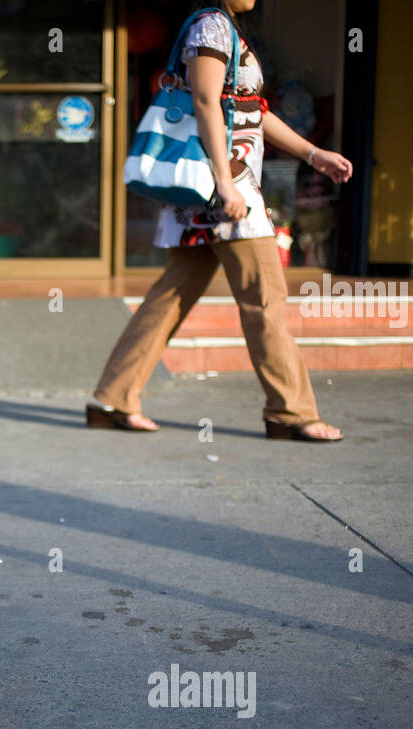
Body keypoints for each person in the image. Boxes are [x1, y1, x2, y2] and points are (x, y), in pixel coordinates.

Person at [89, 0, 352, 441]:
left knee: (170, 297)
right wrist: (226, 184)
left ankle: (112, 399)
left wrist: (312, 154)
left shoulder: (224, 29)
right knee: (265, 298)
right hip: (227, 189)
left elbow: (252, 112)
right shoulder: (212, 27)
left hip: (212, 191)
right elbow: (206, 102)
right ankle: (291, 412)